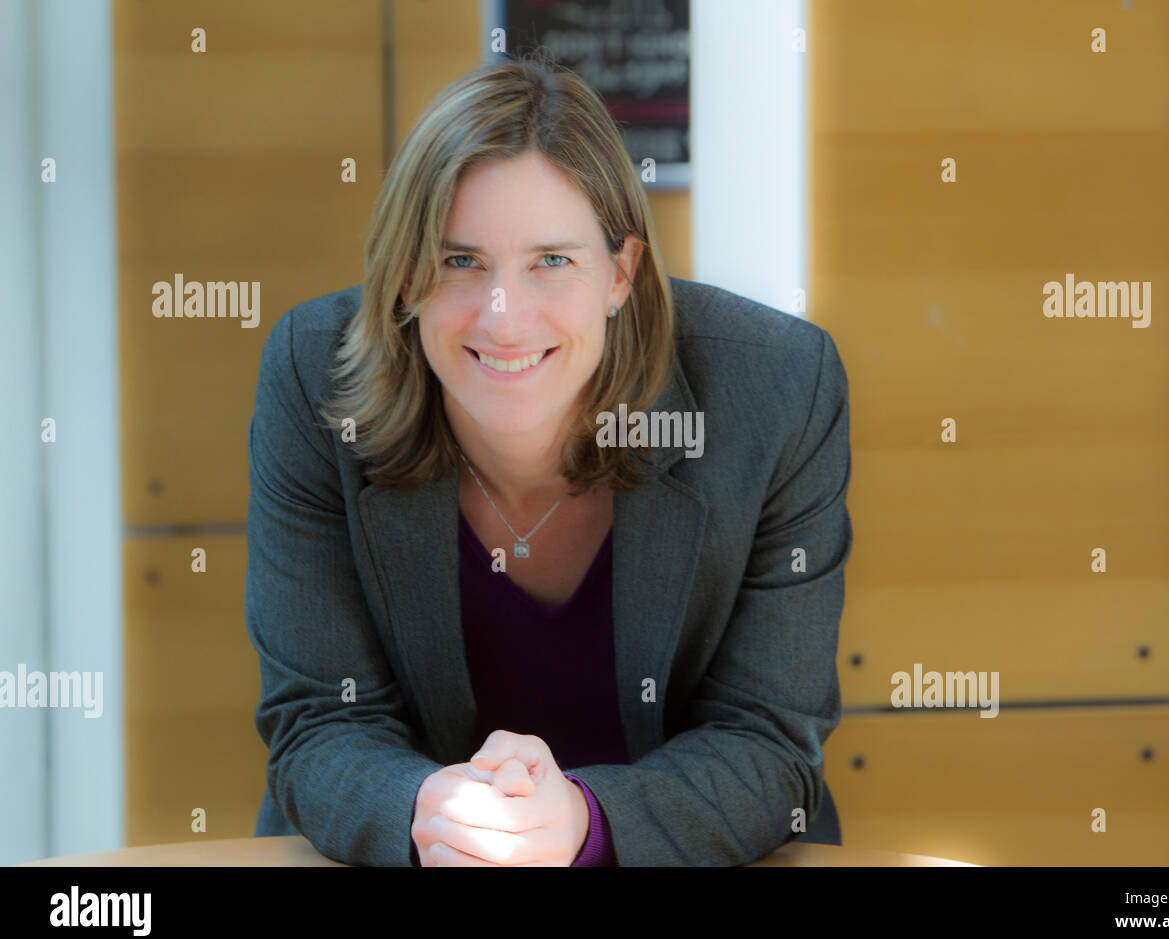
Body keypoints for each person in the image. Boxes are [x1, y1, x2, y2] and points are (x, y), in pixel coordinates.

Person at [246, 54, 852, 867]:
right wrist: (428, 813)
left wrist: (586, 823)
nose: (504, 319)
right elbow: (318, 720)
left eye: (551, 261)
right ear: (403, 279)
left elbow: (769, 742)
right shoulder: (312, 375)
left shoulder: (777, 390)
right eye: (460, 260)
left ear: (621, 273)